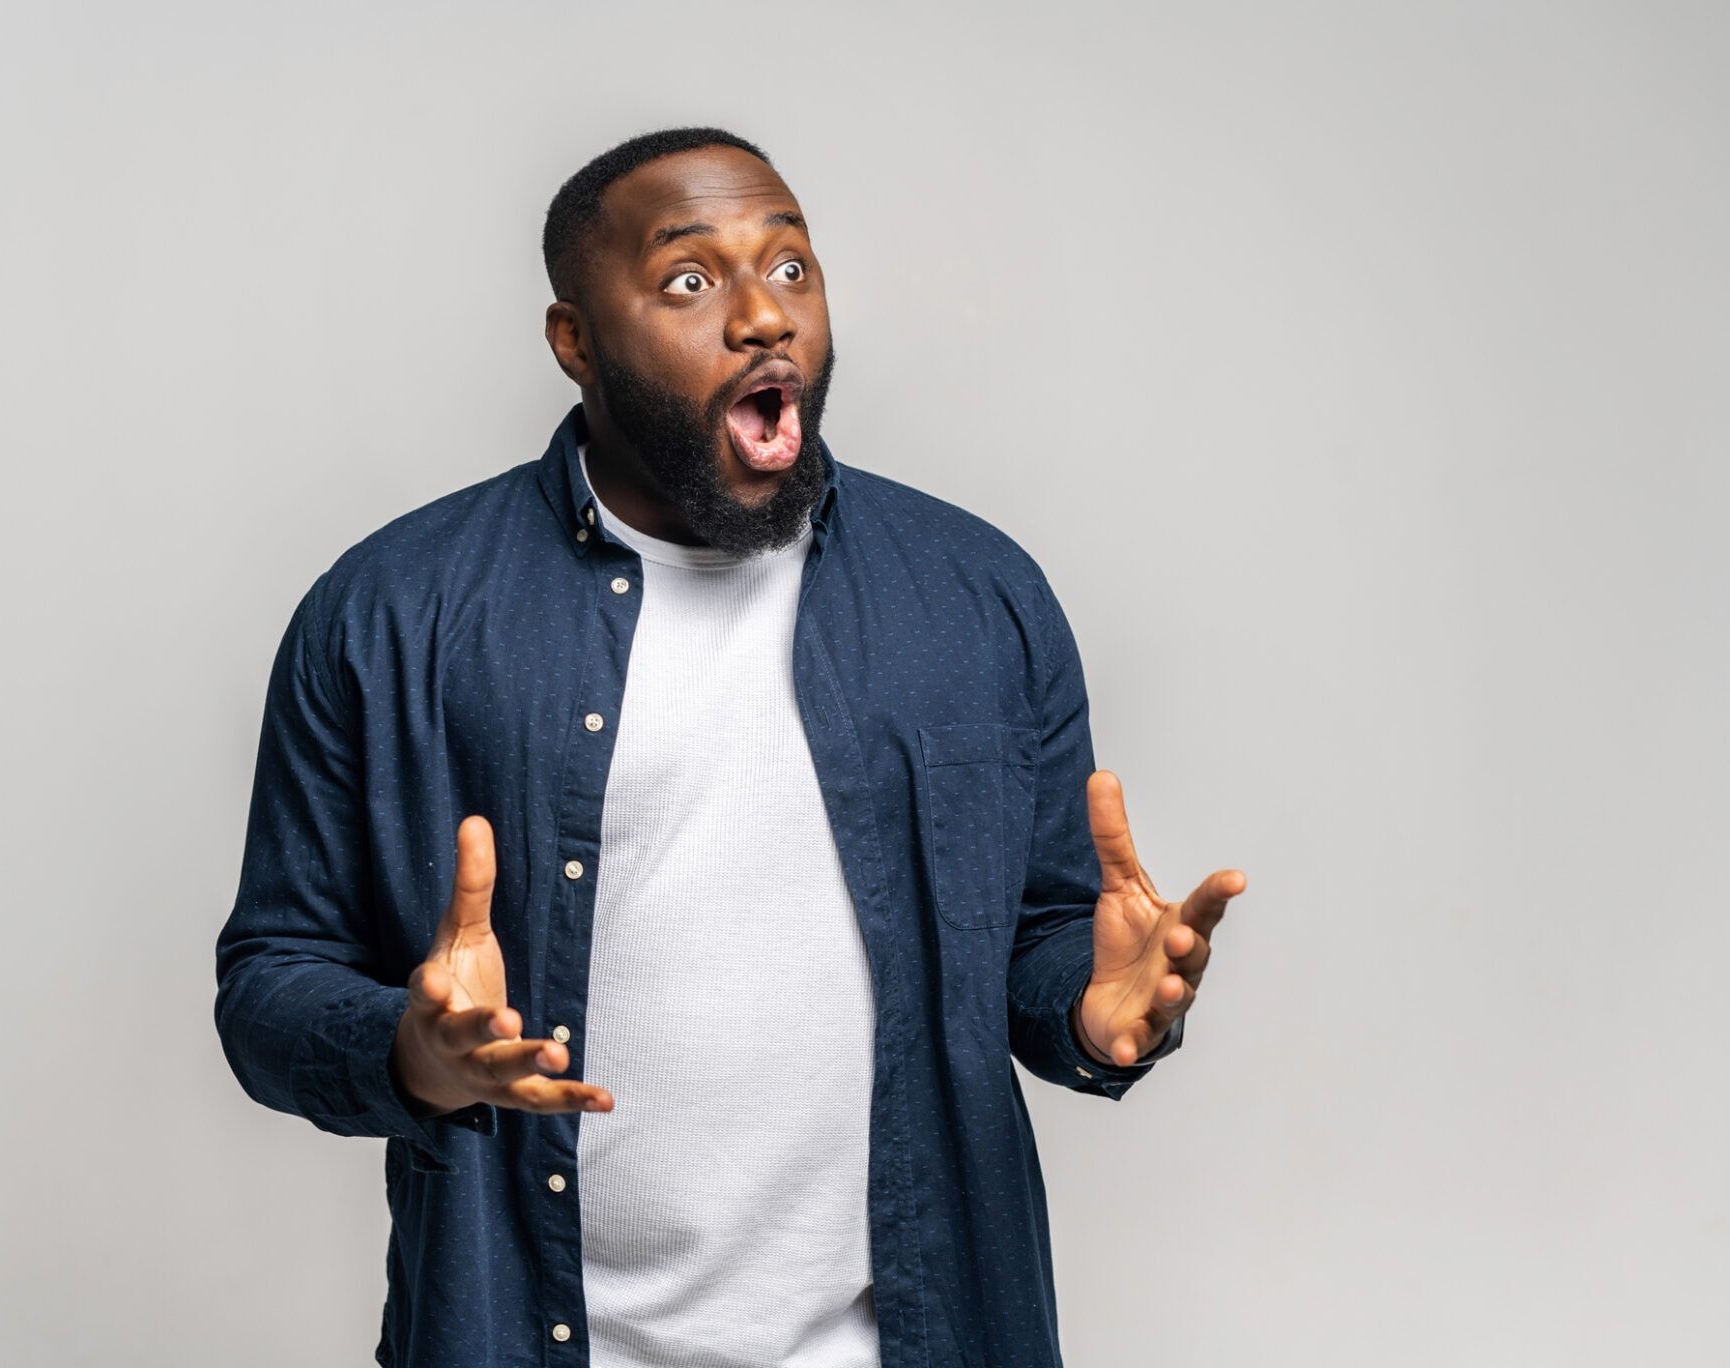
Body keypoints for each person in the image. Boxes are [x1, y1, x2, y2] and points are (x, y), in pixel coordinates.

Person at [212, 125, 1246, 1368]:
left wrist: (1089, 1010)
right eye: (690, 281)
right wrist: (413, 1056)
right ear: (573, 341)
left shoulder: (975, 595)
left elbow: (1032, 943)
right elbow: (271, 982)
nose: (763, 317)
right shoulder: (392, 613)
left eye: (791, 269)